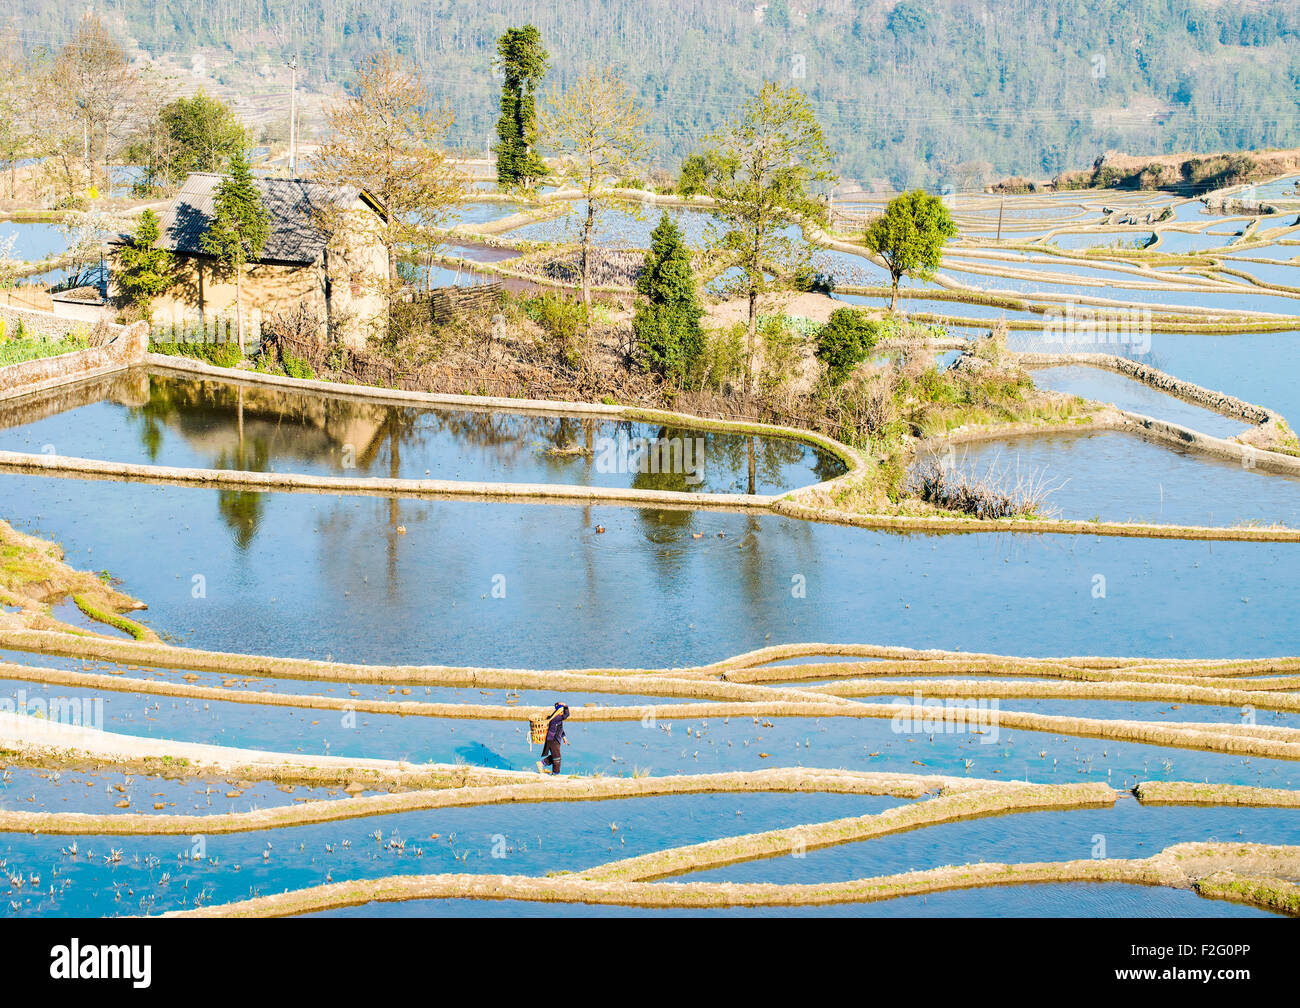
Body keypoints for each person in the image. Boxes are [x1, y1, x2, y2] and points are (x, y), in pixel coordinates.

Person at [537, 701, 569, 775]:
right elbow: (567, 715)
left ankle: (542, 763)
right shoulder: (556, 718)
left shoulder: (557, 718)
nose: (563, 713)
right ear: (559, 712)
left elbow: (560, 728)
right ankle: (555, 773)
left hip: (555, 740)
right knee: (557, 758)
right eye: (562, 711)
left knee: (555, 756)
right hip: (552, 740)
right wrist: (565, 706)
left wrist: (564, 737)